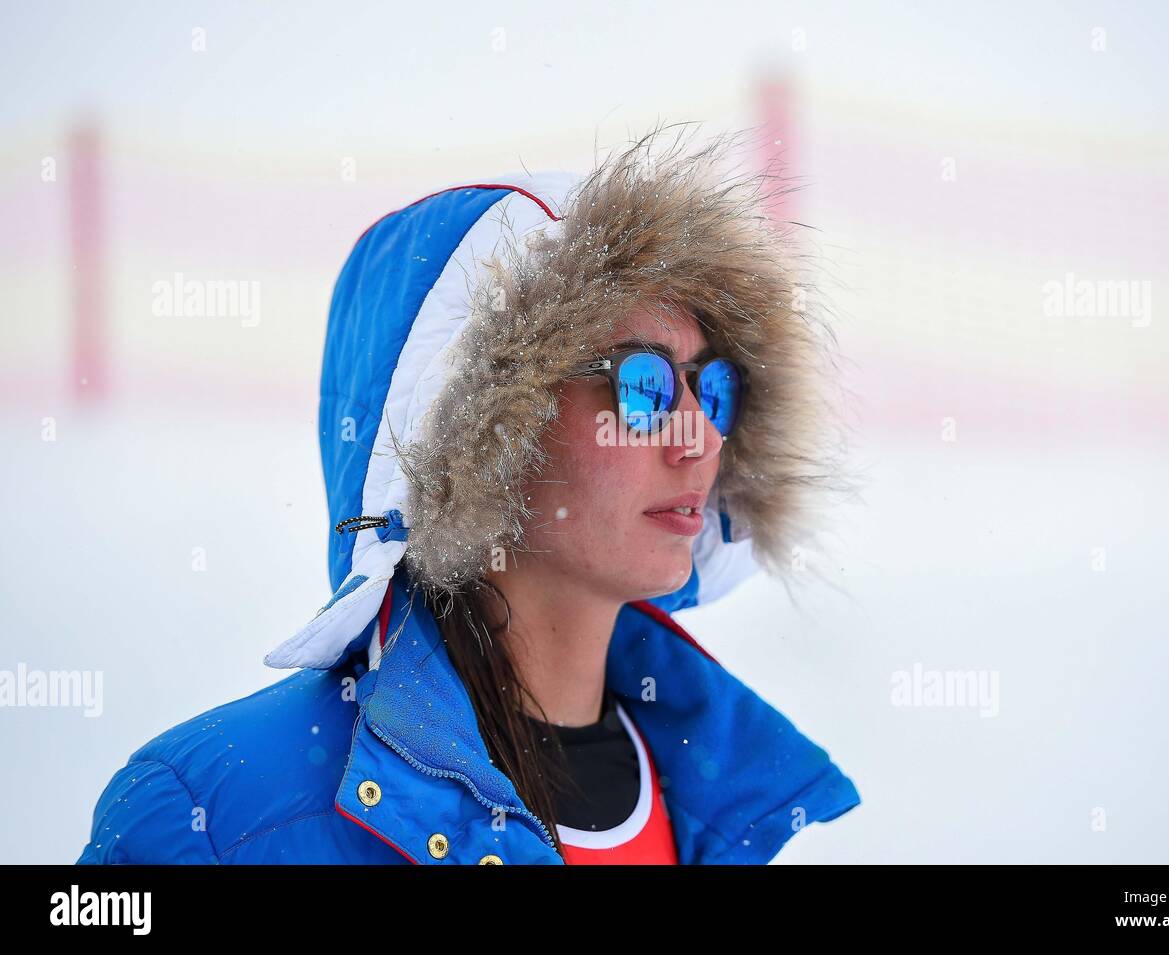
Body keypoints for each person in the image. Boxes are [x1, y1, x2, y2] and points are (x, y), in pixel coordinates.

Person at [76, 123, 861, 865]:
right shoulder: (217, 818)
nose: (700, 437)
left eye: (713, 388)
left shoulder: (719, 801)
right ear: (484, 429)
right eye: (643, 383)